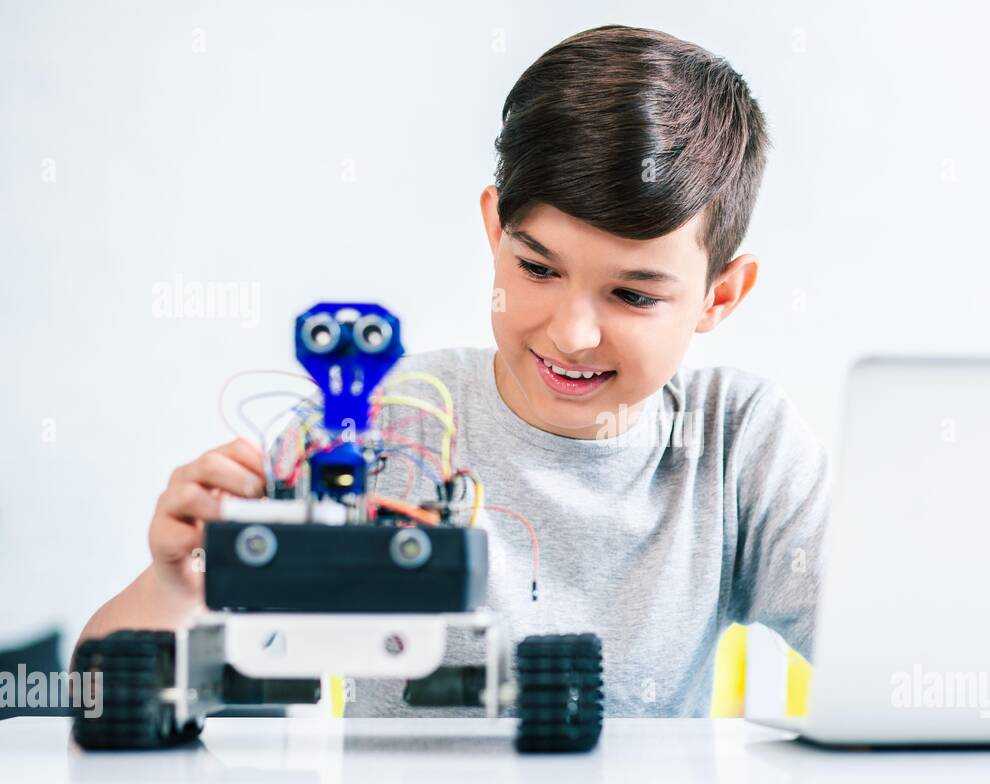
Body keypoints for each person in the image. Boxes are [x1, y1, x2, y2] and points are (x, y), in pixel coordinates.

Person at [79, 24, 831, 717]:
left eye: (633, 294)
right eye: (537, 267)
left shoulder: (736, 446)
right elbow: (96, 695)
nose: (570, 334)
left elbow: (898, 672)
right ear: (492, 229)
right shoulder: (379, 423)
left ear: (719, 295)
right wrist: (176, 587)